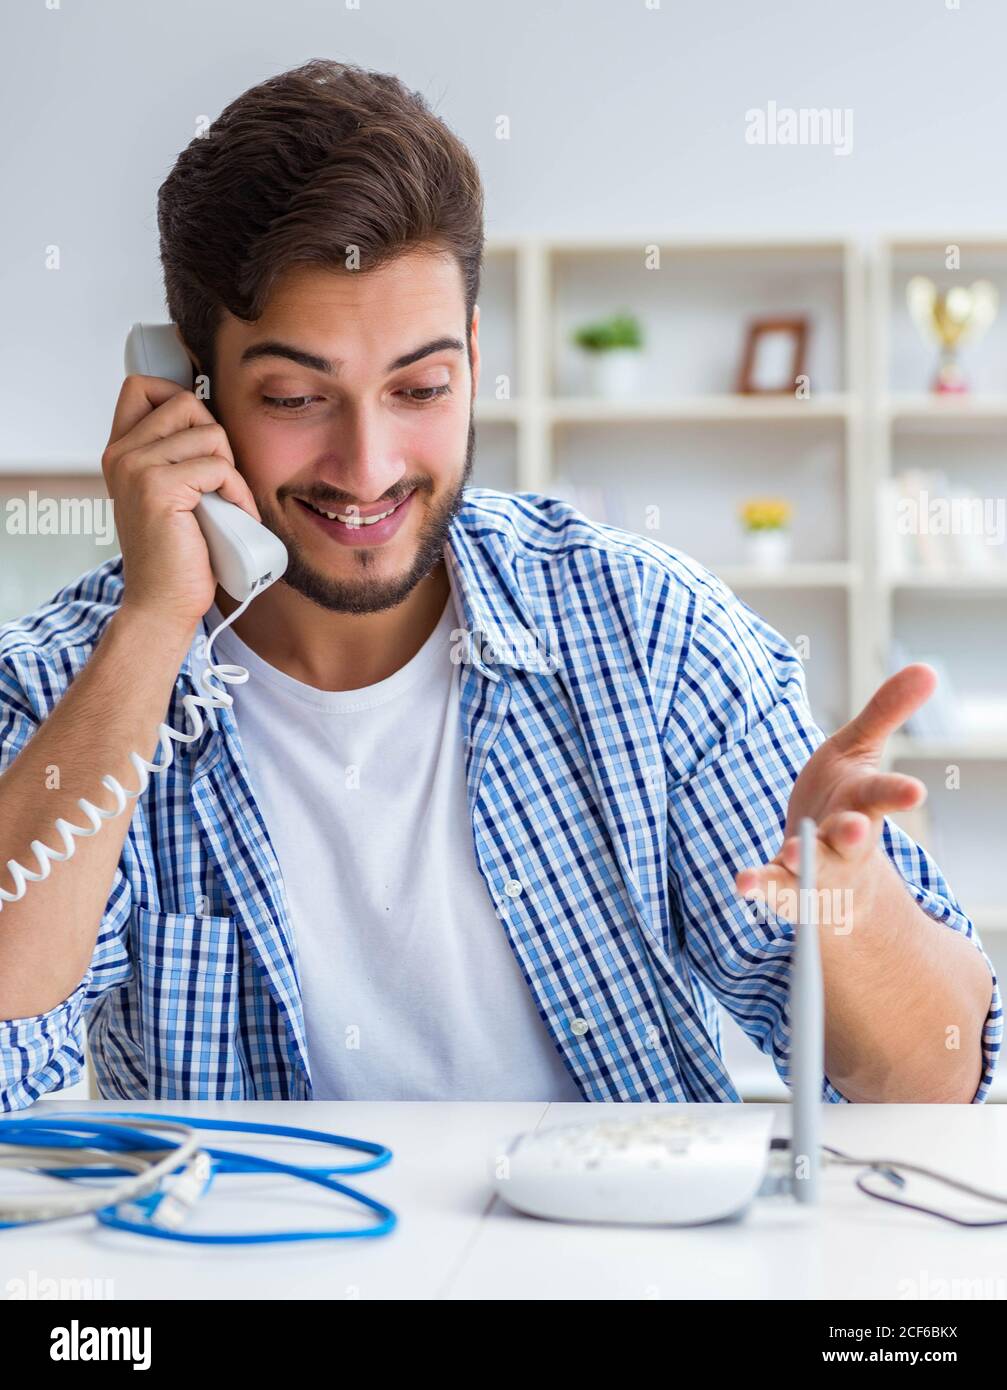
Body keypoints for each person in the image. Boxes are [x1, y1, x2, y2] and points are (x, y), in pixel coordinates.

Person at [0, 60, 998, 1110]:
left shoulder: (648, 634)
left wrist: (857, 909)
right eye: (296, 395)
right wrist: (156, 623)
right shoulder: (66, 685)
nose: (368, 463)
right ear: (181, 389)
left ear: (474, 357)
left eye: (420, 387)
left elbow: (934, 1087)